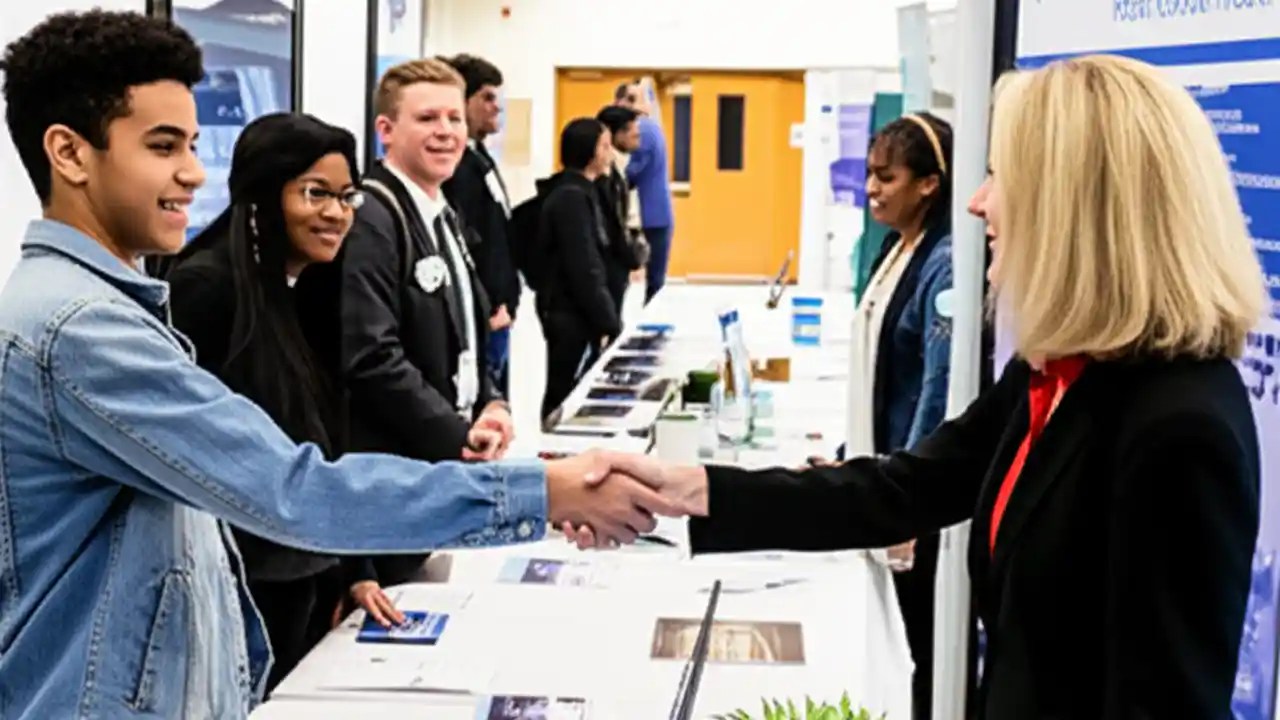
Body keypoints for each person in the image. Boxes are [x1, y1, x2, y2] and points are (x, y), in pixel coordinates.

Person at [0, 12, 672, 718]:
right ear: (70, 154)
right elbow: (291, 489)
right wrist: (543, 493)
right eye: (163, 146)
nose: (194, 173)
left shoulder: (104, 307)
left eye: (194, 145)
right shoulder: (82, 329)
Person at [572, 55, 1267, 719]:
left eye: (999, 175)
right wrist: (686, 488)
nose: (978, 202)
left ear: (1078, 207)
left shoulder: (1181, 428)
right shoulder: (1058, 372)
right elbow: (901, 488)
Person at [165, 112, 369, 689]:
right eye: (315, 194)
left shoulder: (303, 286)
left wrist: (355, 570)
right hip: (244, 589)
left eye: (345, 195)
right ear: (262, 195)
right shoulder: (206, 289)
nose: (336, 213)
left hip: (307, 570)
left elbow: (326, 445)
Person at [306, 58, 514, 595]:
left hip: (439, 475)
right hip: (391, 485)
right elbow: (370, 356)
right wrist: (457, 433)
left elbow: (465, 332)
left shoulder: (442, 213)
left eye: (453, 117)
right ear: (386, 130)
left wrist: (493, 402)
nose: (445, 131)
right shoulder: (374, 217)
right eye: (427, 118)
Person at [853, 112, 955, 720]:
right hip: (883, 469)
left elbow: (937, 388)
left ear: (927, 185)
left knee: (918, 645)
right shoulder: (895, 246)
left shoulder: (942, 263)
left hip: (912, 489)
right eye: (869, 174)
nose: (872, 189)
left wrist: (908, 495)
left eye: (886, 177)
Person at [441, 54, 520, 395]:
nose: (495, 108)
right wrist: (486, 304)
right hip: (485, 314)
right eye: (486, 98)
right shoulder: (456, 169)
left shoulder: (481, 160)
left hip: (500, 310)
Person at [534, 118, 623, 419]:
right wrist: (608, 321)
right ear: (590, 151)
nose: (611, 154)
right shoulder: (570, 197)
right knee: (565, 389)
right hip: (568, 311)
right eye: (605, 146)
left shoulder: (585, 191)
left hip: (575, 309)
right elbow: (583, 265)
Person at [615, 81, 673, 303]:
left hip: (652, 216)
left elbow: (632, 173)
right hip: (655, 214)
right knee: (654, 280)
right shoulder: (650, 128)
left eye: (634, 99)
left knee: (653, 282)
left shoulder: (644, 131)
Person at [595, 105, 647, 318]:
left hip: (616, 265)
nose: (637, 136)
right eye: (631, 131)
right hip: (606, 266)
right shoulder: (604, 177)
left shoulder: (619, 171)